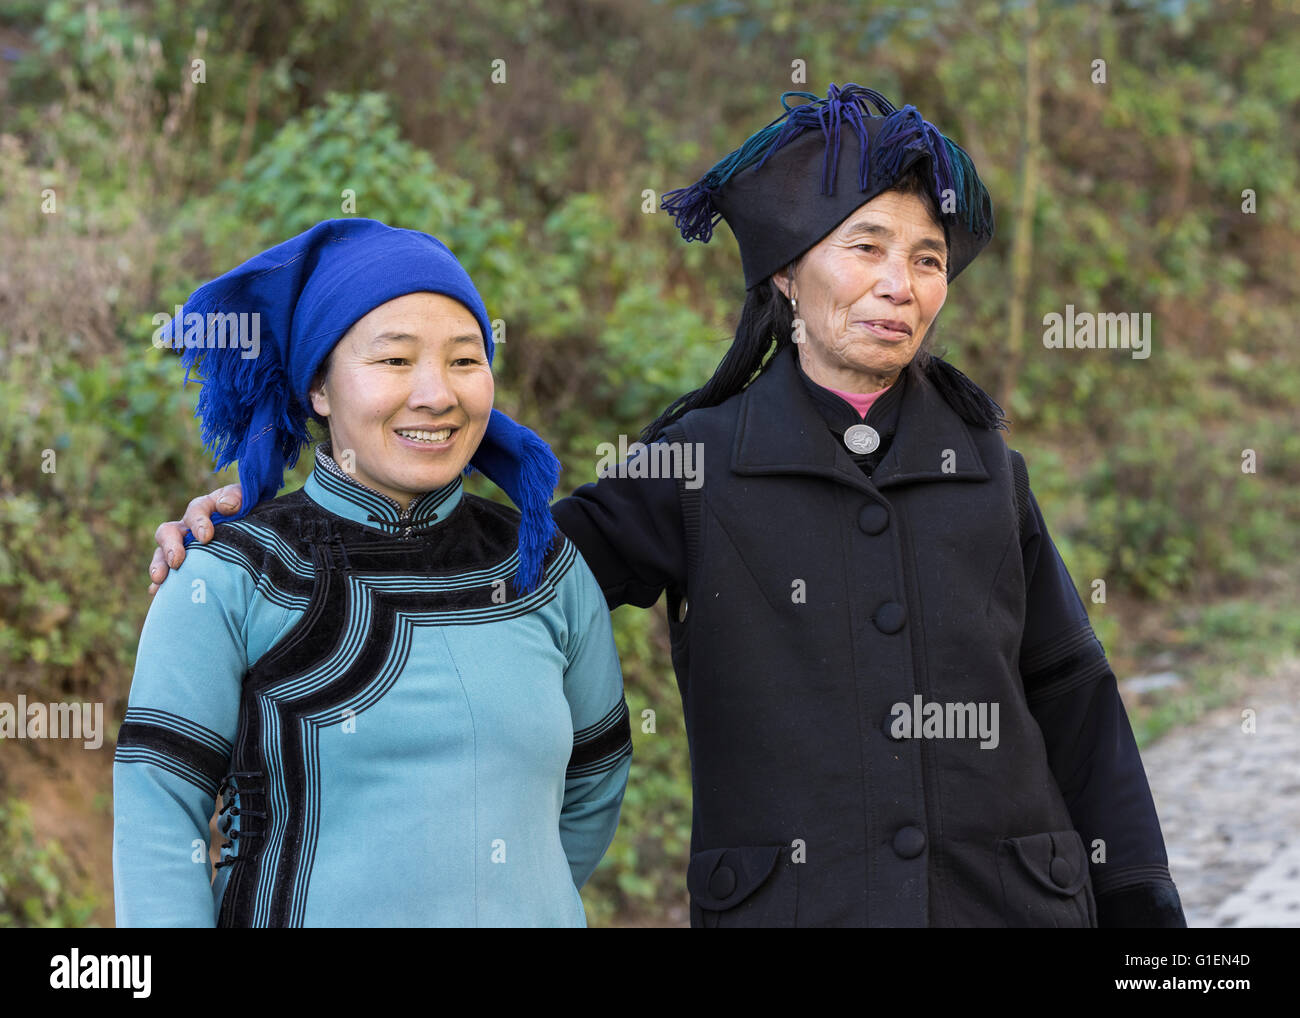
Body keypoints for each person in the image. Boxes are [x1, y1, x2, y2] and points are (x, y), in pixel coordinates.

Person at [147, 85, 1185, 928]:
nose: (899, 285)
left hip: (1010, 906)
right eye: (864, 247)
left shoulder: (985, 467)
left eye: (925, 259)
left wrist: (1140, 906)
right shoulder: (701, 461)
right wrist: (282, 510)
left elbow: (1074, 694)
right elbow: (491, 565)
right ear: (787, 273)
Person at [116, 219, 632, 927]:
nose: (436, 395)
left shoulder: (542, 565)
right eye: (393, 361)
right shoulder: (233, 577)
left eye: (464, 359)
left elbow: (594, 783)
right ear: (320, 389)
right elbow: (158, 818)